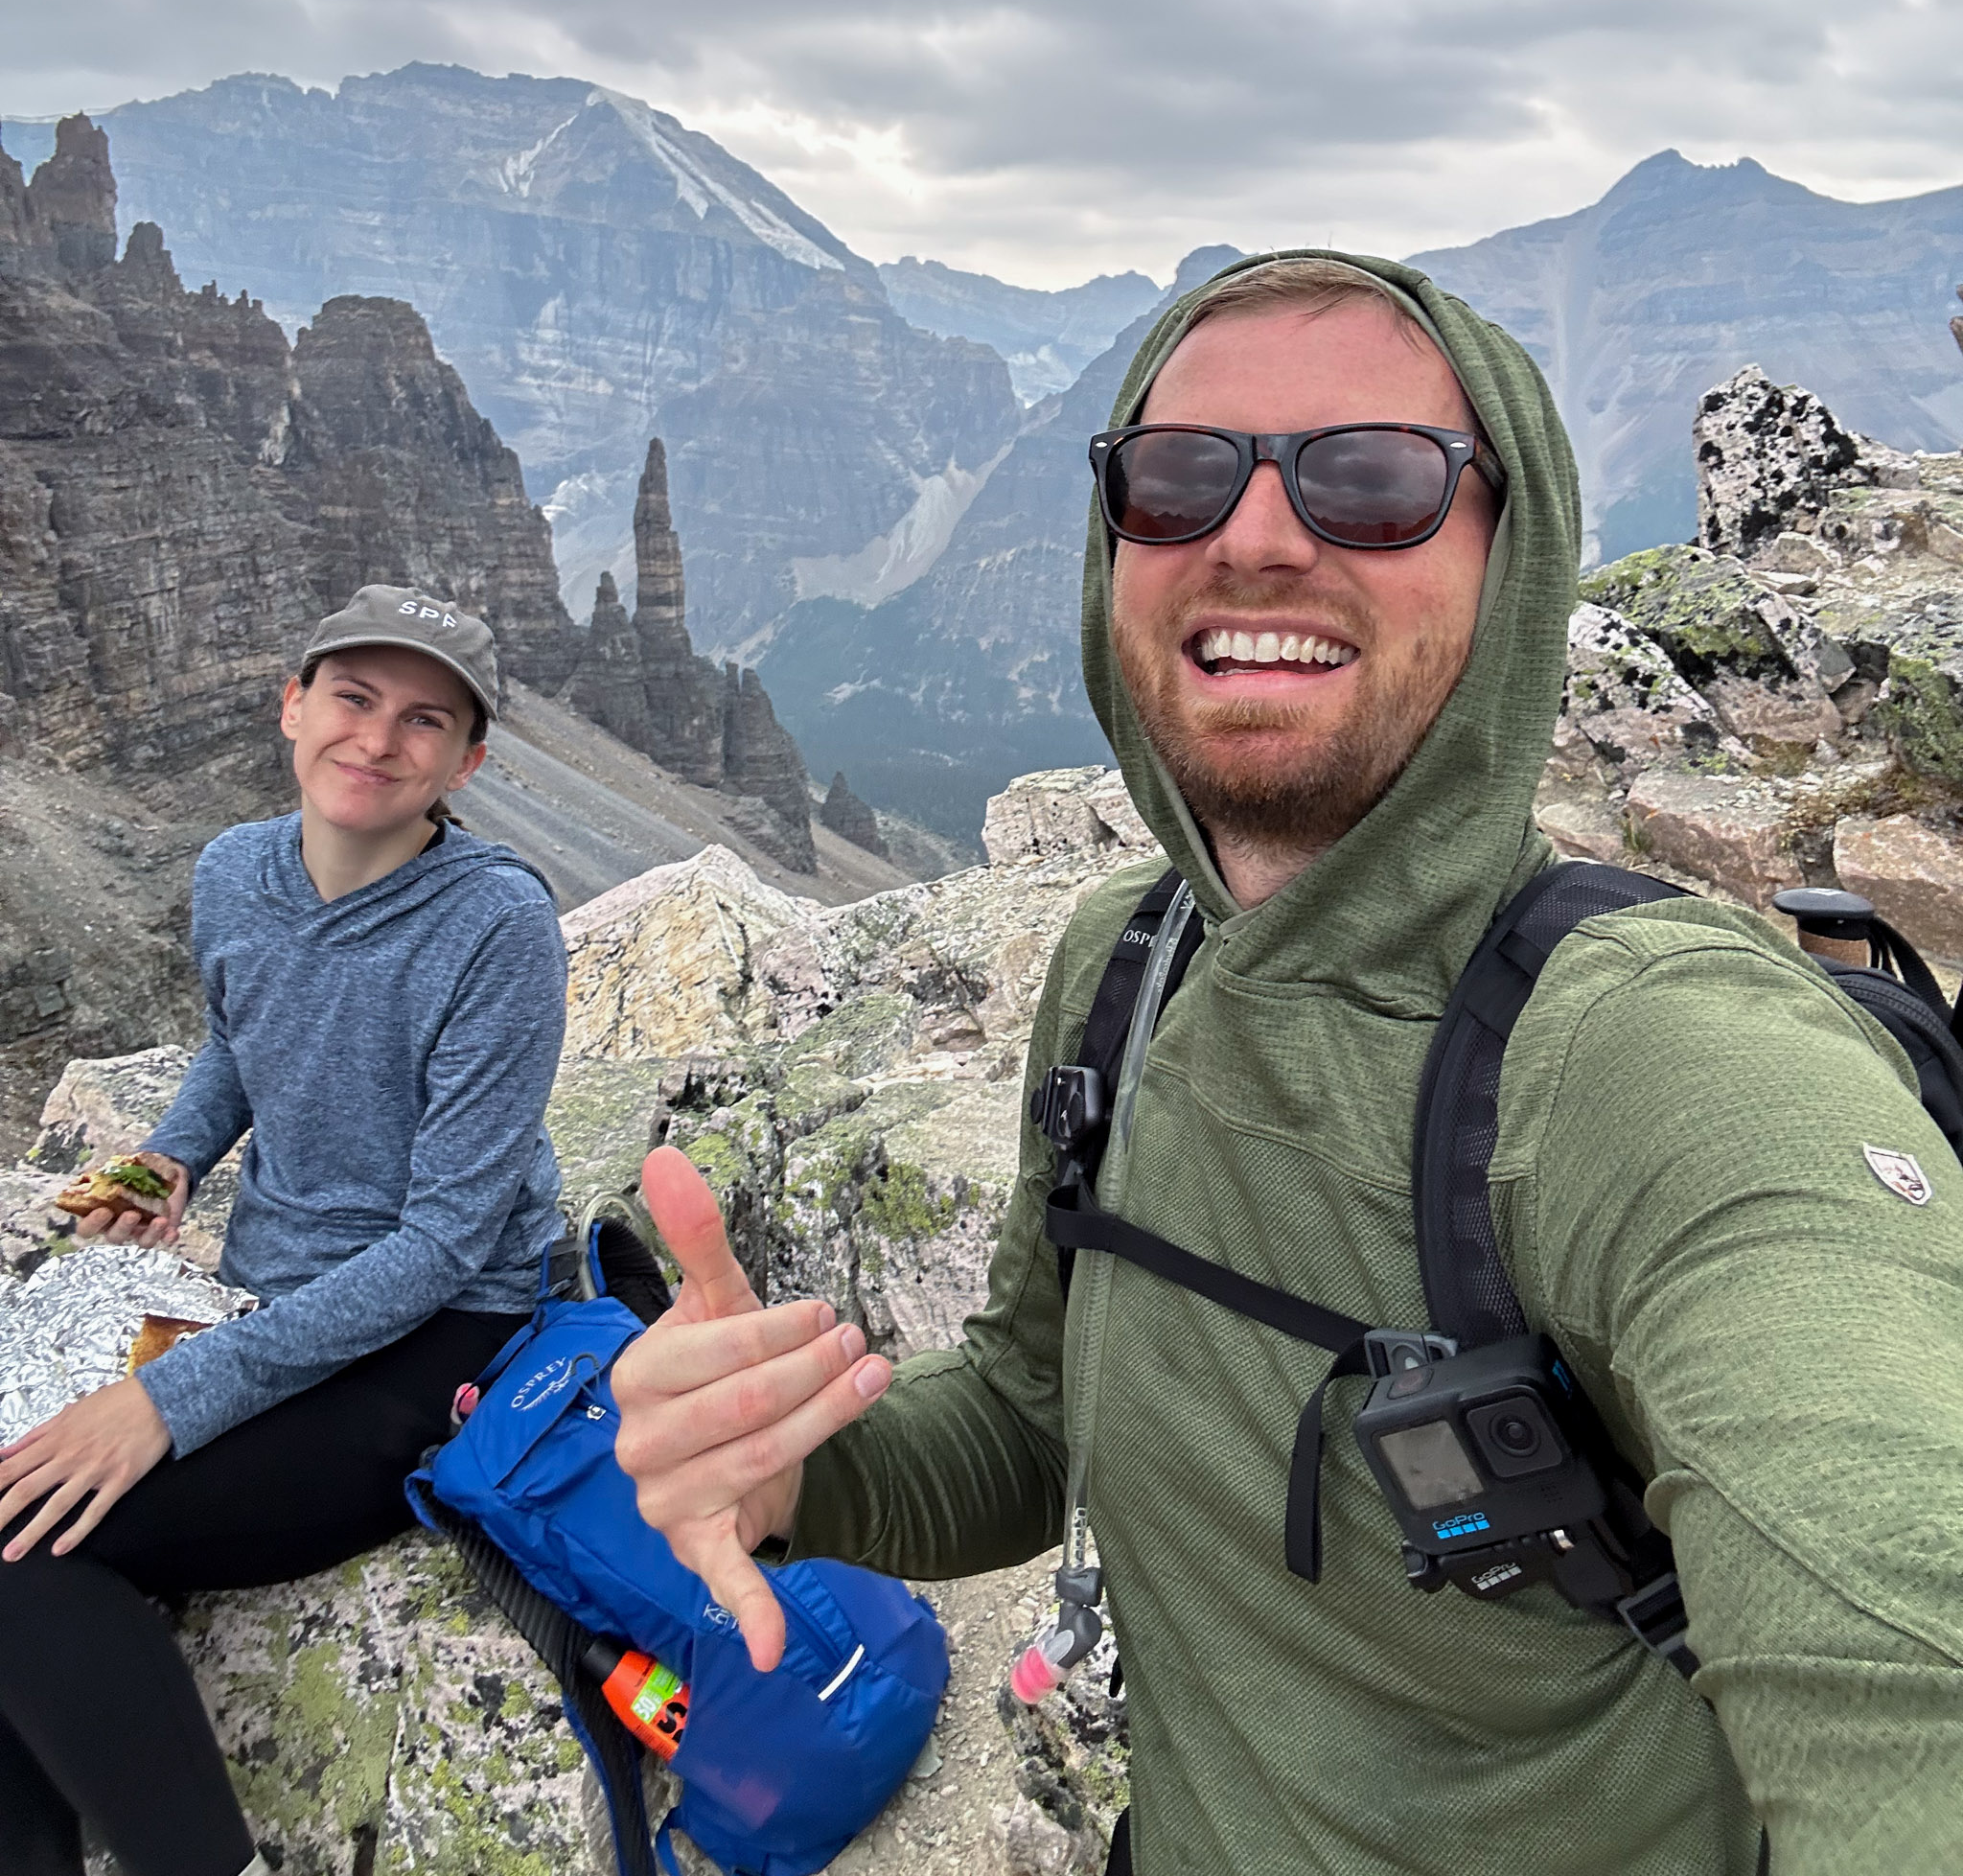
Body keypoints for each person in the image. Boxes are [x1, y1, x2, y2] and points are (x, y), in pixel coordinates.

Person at [611, 254, 1963, 1873]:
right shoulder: (1123, 967)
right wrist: (793, 1471)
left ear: (1513, 560)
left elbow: (1902, 1632)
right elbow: (1036, 1425)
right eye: (1176, 478)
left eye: (1374, 482)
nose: (1254, 536)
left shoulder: (1648, 1054)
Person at [0, 586, 568, 1876]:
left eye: (425, 721)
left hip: (446, 1336)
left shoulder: (498, 925)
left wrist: (167, 1401)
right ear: (292, 706)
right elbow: (240, 1041)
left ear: (467, 763)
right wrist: (171, 1156)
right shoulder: (233, 873)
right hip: (266, 1305)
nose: (378, 739)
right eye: (353, 699)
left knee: (22, 1543)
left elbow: (440, 1246)